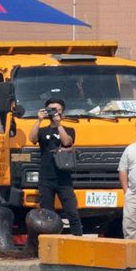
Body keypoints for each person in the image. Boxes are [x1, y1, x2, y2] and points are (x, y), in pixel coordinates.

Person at [31, 98, 82, 236]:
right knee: (47, 213)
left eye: (58, 110)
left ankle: (78, 239)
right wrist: (39, 120)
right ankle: (49, 242)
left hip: (64, 178)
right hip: (46, 178)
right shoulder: (42, 130)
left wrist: (59, 124)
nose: (55, 113)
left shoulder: (69, 129)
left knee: (72, 211)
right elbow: (32, 138)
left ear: (63, 113)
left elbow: (66, 143)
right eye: (51, 110)